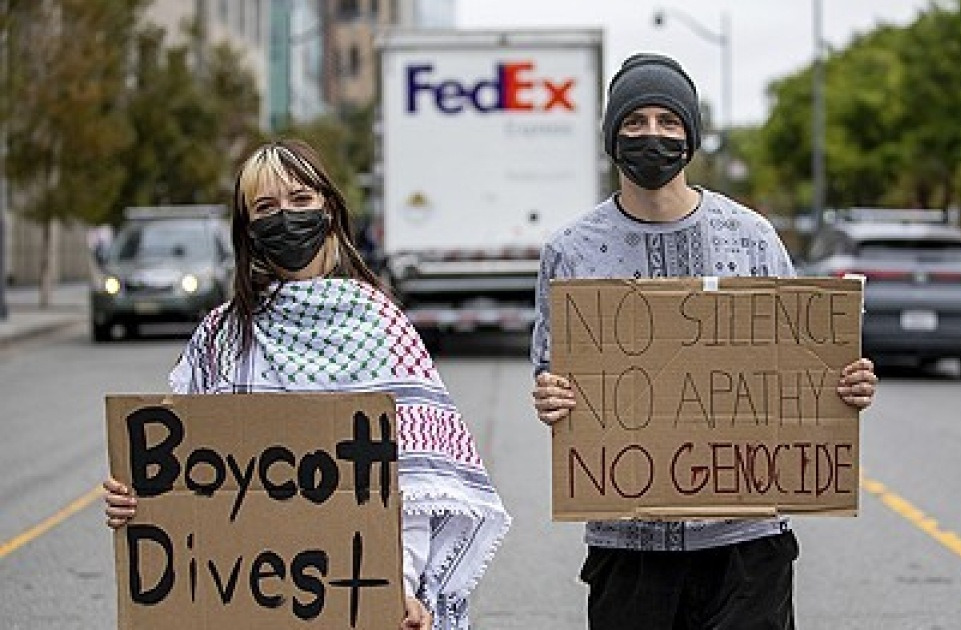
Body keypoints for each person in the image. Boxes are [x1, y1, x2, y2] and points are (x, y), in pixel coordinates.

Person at [528, 53, 878, 630]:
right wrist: (551, 398)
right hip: (629, 544)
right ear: (612, 136)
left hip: (747, 546)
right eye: (635, 122)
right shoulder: (571, 250)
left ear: (690, 136)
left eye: (668, 122)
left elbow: (804, 364)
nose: (652, 136)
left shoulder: (751, 236)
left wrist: (846, 386)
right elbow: (550, 372)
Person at [102, 139, 510, 630]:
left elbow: (412, 488)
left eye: (299, 200)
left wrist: (394, 588)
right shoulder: (220, 337)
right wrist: (136, 496)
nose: (285, 218)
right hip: (244, 599)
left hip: (352, 602)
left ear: (329, 210)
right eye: (266, 207)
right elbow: (179, 469)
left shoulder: (384, 327)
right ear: (248, 230)